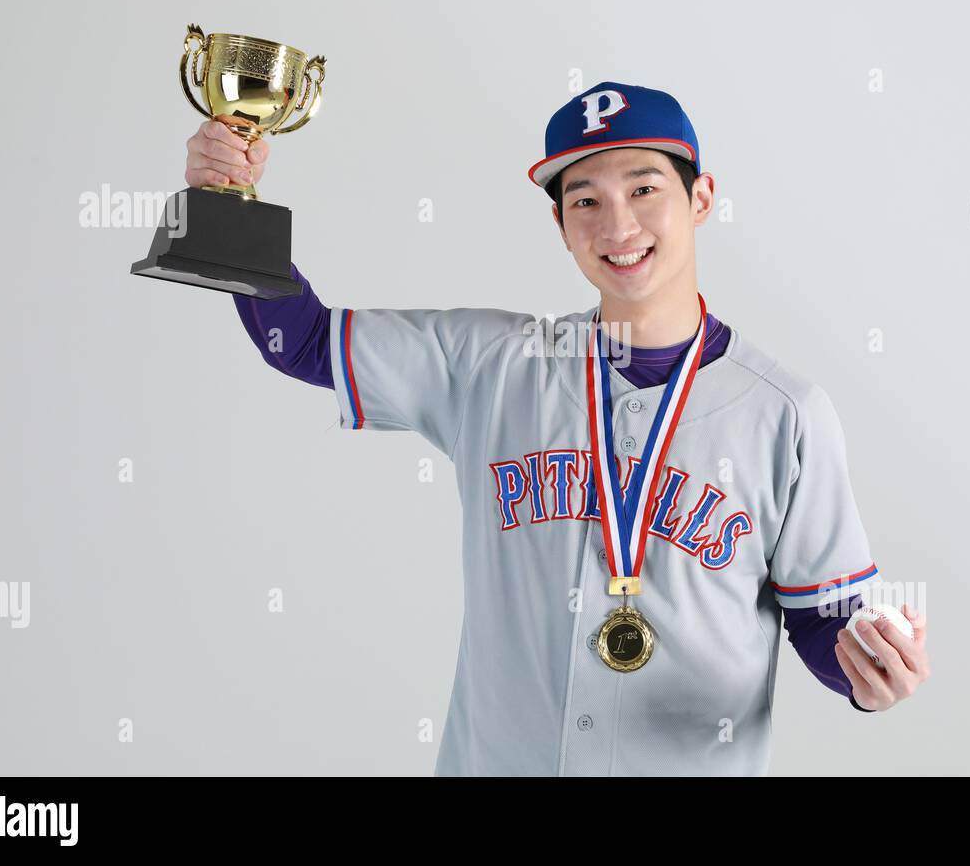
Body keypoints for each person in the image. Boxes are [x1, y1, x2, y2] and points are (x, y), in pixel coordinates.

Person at [184, 82, 930, 776]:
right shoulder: (491, 364)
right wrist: (226, 200)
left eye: (644, 189)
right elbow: (305, 342)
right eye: (587, 202)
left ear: (701, 198)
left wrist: (867, 671)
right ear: (560, 223)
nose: (618, 225)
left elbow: (821, 617)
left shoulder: (785, 412)